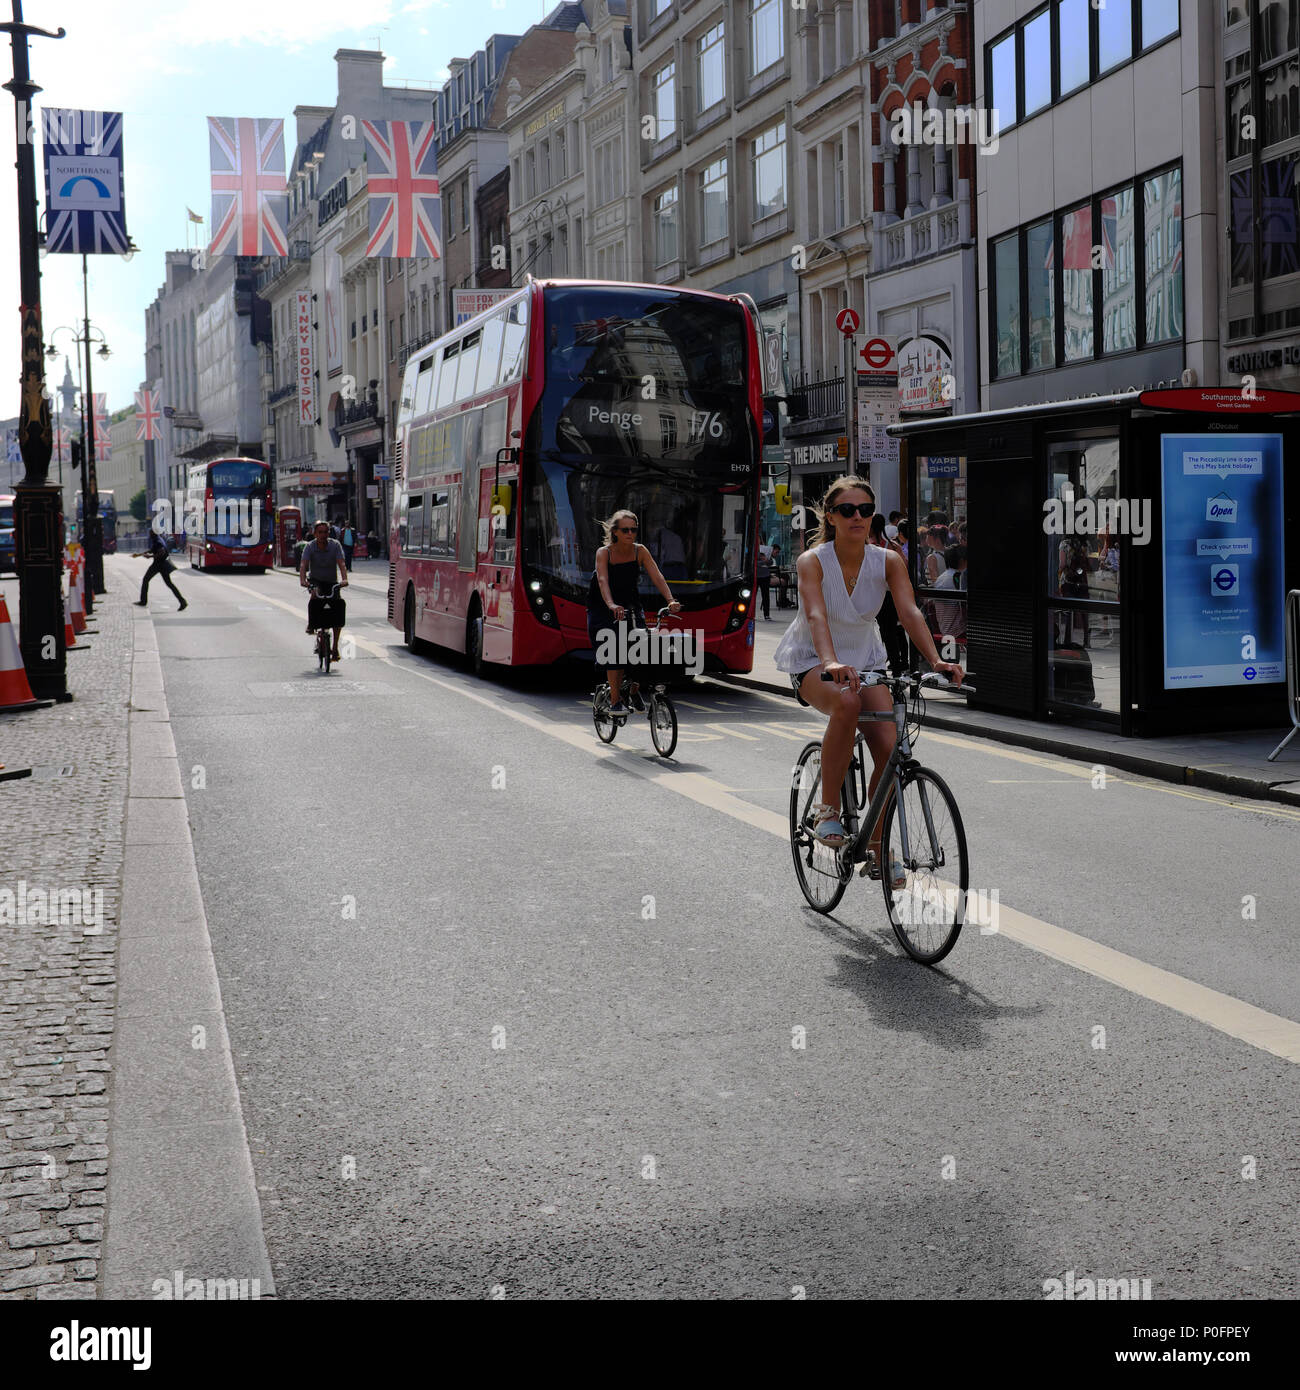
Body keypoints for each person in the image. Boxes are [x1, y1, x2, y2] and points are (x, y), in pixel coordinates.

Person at [774, 475, 963, 883]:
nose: (857, 517)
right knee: (846, 702)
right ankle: (828, 811)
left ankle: (877, 845)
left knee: (893, 750)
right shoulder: (813, 561)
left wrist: (935, 660)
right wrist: (830, 661)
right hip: (814, 658)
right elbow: (816, 615)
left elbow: (909, 612)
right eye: (847, 510)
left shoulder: (888, 559)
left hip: (867, 658)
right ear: (832, 516)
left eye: (864, 510)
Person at [587, 509, 680, 715]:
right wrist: (611, 605)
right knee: (616, 650)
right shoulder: (604, 553)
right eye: (625, 530)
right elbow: (602, 581)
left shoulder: (640, 551)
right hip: (603, 606)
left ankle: (632, 689)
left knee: (643, 647)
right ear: (616, 532)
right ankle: (614, 702)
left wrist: (671, 600)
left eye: (634, 530)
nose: (630, 534)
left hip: (630, 604)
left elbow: (657, 577)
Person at [300, 519, 349, 662]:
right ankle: (312, 624)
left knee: (337, 609)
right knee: (315, 596)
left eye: (326, 532)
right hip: (316, 580)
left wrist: (344, 579)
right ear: (314, 533)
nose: (323, 535)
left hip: (332, 582)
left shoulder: (335, 545)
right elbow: (303, 565)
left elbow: (341, 563)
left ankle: (334, 647)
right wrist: (303, 581)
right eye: (320, 532)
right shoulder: (309, 547)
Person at [869, 513, 908, 677]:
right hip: (891, 594)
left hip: (874, 594)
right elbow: (904, 566)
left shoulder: (869, 546)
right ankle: (897, 668)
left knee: (877, 633)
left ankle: (878, 666)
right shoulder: (893, 546)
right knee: (891, 633)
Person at [133, 528, 187, 611]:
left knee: (146, 579)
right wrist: (139, 554)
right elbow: (152, 550)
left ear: (153, 533)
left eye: (150, 533)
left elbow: (161, 552)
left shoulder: (158, 541)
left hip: (159, 564)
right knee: (169, 584)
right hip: (162, 564)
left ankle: (143, 601)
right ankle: (182, 601)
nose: (149, 535)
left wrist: (150, 556)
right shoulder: (158, 539)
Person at [756, 534, 773, 619]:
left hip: (765, 575)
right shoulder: (750, 549)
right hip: (755, 575)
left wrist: (767, 560)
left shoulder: (765, 549)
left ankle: (767, 614)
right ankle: (750, 614)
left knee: (766, 596)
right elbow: (752, 563)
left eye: (758, 539)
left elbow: (771, 562)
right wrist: (763, 563)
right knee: (752, 596)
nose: (757, 540)